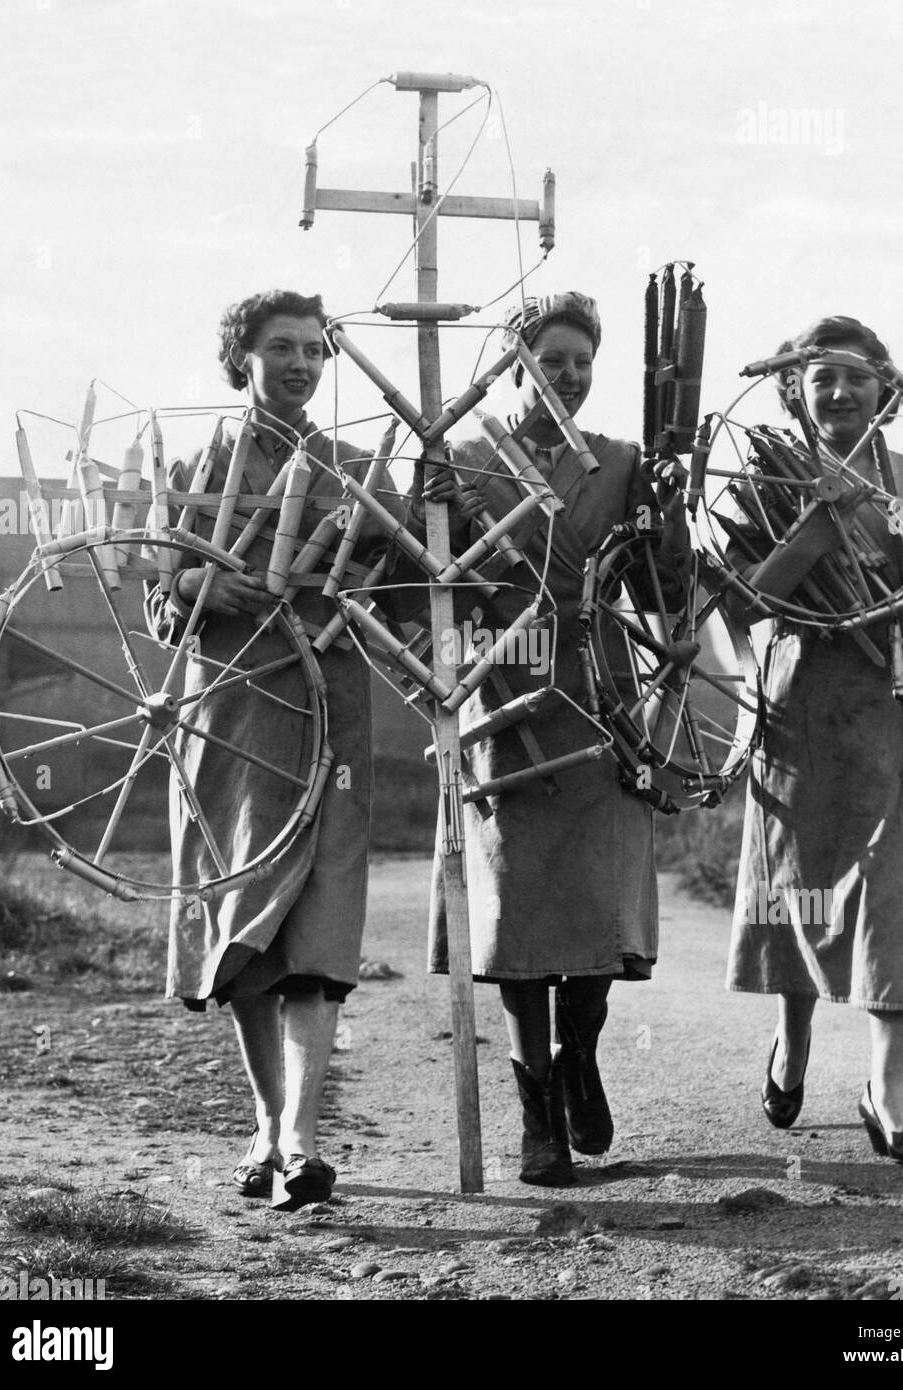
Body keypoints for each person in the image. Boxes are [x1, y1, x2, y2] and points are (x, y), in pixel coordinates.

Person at [420, 292, 692, 1185]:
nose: (569, 376)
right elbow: (426, 587)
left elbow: (663, 593)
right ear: (515, 359)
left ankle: (581, 1051)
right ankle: (537, 1113)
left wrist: (670, 513)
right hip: (504, 699)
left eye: (583, 360)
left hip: (604, 697)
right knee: (517, 917)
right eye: (553, 358)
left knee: (600, 905)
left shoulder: (619, 462)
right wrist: (430, 515)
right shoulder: (464, 457)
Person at [145, 289, 407, 1208]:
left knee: (319, 923)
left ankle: (301, 1141)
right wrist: (197, 586)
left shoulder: (351, 468)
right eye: (281, 348)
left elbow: (405, 579)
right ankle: (265, 1127)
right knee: (245, 931)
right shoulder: (199, 463)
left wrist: (422, 518)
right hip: (230, 714)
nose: (301, 364)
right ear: (242, 358)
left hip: (328, 707)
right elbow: (153, 597)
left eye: (314, 351)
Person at [724, 315, 903, 1165]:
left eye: (855, 378)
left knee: (896, 898)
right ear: (796, 391)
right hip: (803, 716)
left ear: (886, 388)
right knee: (802, 890)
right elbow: (748, 600)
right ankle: (793, 1040)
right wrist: (814, 534)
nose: (838, 393)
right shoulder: (773, 478)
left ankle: (887, 1090)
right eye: (821, 379)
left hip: (901, 711)